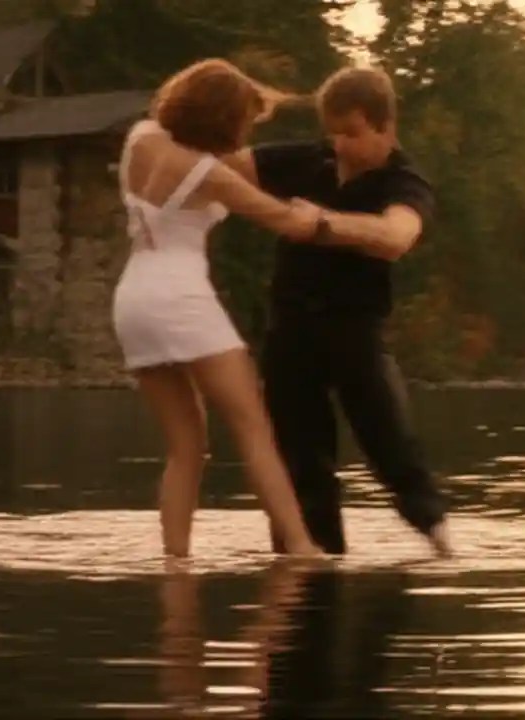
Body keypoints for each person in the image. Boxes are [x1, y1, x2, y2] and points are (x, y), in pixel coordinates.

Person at [224, 66, 452, 557]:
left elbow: (395, 238)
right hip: (290, 329)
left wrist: (321, 225)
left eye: (352, 133)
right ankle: (311, 562)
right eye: (333, 133)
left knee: (391, 445)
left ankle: (440, 543)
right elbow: (223, 165)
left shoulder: (404, 181)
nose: (341, 145)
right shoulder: (308, 160)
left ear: (385, 127)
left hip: (355, 330)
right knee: (299, 460)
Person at [111, 59, 325, 558]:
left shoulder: (140, 137)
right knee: (253, 426)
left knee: (186, 445)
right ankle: (300, 546)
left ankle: (175, 559)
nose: (246, 130)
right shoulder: (208, 175)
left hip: (134, 297)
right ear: (223, 119)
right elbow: (287, 222)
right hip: (181, 296)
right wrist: (315, 214)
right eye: (243, 121)